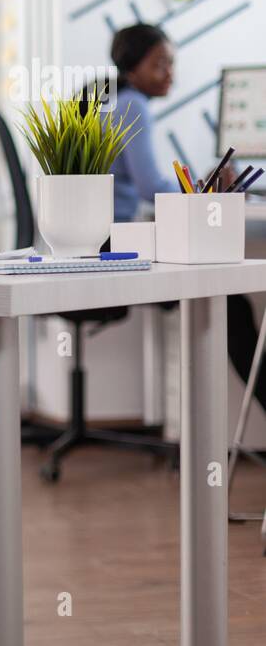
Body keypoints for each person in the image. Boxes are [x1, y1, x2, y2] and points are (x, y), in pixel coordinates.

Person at [104, 23, 266, 412]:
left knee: (230, 300)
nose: (170, 75)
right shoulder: (132, 104)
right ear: (132, 68)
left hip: (107, 239)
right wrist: (206, 189)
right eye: (160, 65)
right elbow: (150, 188)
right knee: (233, 304)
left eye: (172, 64)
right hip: (113, 246)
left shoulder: (119, 100)